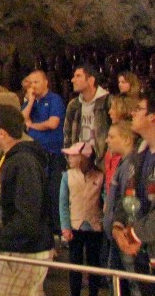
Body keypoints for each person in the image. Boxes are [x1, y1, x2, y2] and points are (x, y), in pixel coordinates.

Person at [0, 104, 55, 295]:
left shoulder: (23, 162)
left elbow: (27, 217)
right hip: (19, 245)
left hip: (24, 249)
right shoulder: (11, 158)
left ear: (3, 133)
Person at [111, 96, 155, 295]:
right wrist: (118, 225)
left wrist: (134, 233)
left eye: (139, 109)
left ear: (152, 117)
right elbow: (127, 195)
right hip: (142, 254)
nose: (132, 113)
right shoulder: (138, 156)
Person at [21, 70, 66, 234]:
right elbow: (22, 119)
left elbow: (53, 123)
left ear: (46, 82)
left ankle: (57, 230)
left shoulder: (54, 100)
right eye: (31, 82)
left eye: (37, 82)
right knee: (37, 192)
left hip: (53, 154)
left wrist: (32, 125)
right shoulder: (31, 102)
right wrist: (31, 100)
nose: (33, 85)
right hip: (35, 154)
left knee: (54, 192)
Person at [59, 141, 104, 296]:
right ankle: (74, 292)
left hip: (95, 226)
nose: (69, 159)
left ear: (83, 158)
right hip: (75, 225)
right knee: (75, 263)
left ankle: (94, 292)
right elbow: (63, 203)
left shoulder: (100, 176)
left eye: (73, 156)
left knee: (94, 262)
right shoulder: (67, 176)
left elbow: (103, 200)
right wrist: (65, 226)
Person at [101, 122, 138, 294]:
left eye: (112, 136)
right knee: (115, 280)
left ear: (126, 139)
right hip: (115, 236)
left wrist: (121, 228)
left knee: (132, 283)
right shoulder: (123, 163)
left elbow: (128, 201)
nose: (107, 140)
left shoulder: (131, 165)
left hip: (125, 236)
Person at [65, 64, 111, 164]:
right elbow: (67, 135)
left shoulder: (108, 102)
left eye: (78, 76)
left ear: (91, 80)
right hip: (79, 161)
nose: (73, 80)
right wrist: (70, 158)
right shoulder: (74, 105)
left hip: (102, 162)